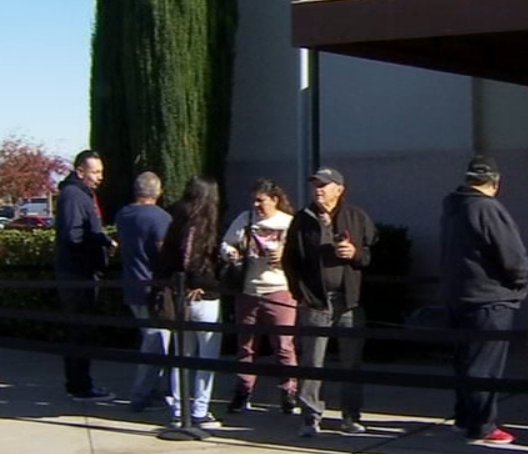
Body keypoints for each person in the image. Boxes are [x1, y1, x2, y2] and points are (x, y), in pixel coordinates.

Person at [441, 156, 528, 445]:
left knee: (464, 361)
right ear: (495, 182)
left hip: (458, 296)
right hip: (489, 299)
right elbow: (513, 257)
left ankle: (465, 417)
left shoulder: (453, 207)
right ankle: (483, 424)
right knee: (485, 365)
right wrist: (521, 284)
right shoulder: (487, 208)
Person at [283, 167, 378, 437]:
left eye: (324, 185)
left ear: (339, 189)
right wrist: (300, 294)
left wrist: (355, 253)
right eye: (316, 185)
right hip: (316, 302)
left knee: (351, 362)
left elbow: (371, 254)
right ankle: (310, 417)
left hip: (349, 302)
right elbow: (290, 260)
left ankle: (351, 416)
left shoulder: (356, 216)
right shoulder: (303, 219)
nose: (318, 190)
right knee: (312, 362)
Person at [222, 178, 299, 416]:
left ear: (274, 200)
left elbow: (301, 254)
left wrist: (285, 256)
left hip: (279, 289)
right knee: (246, 346)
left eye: (261, 200)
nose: (256, 205)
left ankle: (289, 392)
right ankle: (243, 391)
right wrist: (231, 252)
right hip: (249, 289)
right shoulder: (245, 219)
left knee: (283, 345)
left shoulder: (288, 223)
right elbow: (225, 243)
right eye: (253, 201)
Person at [154, 176, 224, 428]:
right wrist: (203, 283)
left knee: (181, 355)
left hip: (180, 295)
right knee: (206, 356)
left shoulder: (176, 218)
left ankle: (178, 409)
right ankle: (200, 410)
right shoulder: (206, 221)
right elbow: (196, 260)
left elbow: (167, 260)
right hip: (205, 296)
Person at [55, 150, 115, 402]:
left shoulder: (81, 194)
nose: (100, 177)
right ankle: (80, 386)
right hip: (77, 274)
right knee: (79, 330)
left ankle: (80, 383)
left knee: (82, 330)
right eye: (95, 172)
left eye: (101, 172)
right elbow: (74, 235)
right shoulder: (73, 195)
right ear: (80, 171)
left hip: (81, 272)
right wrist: (101, 241)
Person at [116, 171, 174, 412]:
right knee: (156, 343)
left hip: (132, 285)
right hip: (154, 290)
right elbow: (163, 253)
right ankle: (141, 395)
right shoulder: (160, 218)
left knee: (152, 340)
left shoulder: (123, 215)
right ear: (158, 191)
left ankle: (158, 391)